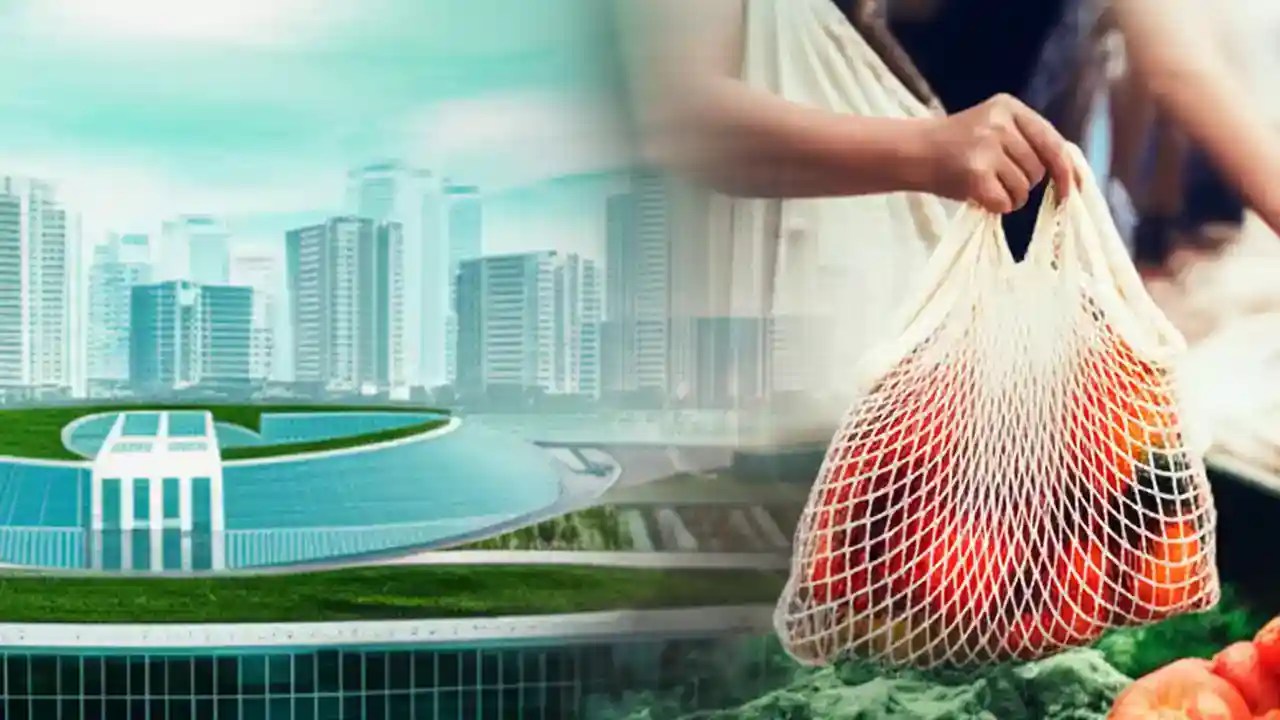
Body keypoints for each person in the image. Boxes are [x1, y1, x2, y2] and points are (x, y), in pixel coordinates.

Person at [626, 0, 1280, 259]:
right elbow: (674, 116)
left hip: (994, 275)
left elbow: (1182, 69)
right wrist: (927, 152)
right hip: (780, 273)